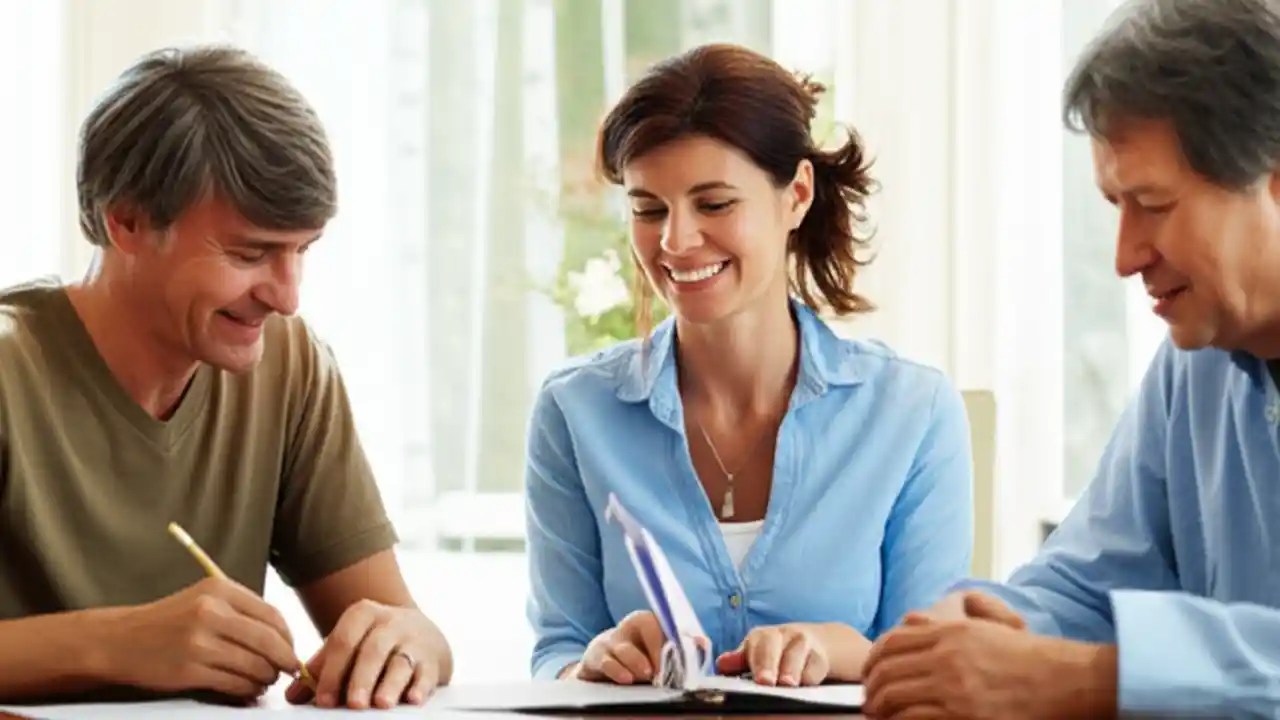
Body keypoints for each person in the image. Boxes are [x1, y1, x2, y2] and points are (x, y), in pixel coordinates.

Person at [0, 45, 451, 710]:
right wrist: (119, 644)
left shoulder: (290, 366)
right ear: (124, 221)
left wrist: (407, 641)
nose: (287, 296)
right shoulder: (12, 369)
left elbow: (411, 628)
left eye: (303, 250)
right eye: (250, 253)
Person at [863, 1, 1280, 718]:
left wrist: (1093, 681)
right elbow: (1084, 587)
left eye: (1152, 203)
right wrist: (954, 639)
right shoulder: (1195, 365)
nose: (1124, 258)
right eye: (1115, 204)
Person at [523, 43, 974, 688]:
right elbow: (555, 652)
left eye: (714, 204)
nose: (675, 242)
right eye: (648, 209)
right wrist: (590, 664)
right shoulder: (574, 413)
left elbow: (942, 672)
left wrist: (840, 649)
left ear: (795, 196)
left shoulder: (913, 412)